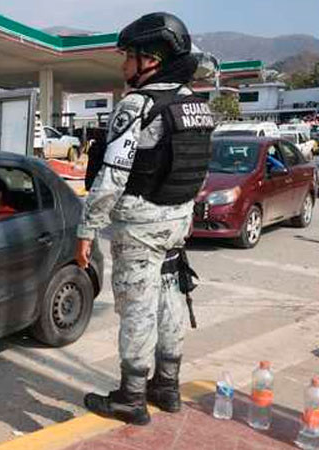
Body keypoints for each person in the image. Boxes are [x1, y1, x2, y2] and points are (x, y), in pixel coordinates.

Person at [76, 12, 214, 425]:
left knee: (137, 309)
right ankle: (167, 386)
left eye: (129, 58)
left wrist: (86, 229)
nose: (124, 67)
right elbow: (198, 170)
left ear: (151, 60)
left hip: (140, 224)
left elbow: (112, 178)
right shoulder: (196, 105)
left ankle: (131, 397)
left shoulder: (137, 106)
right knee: (170, 298)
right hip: (177, 220)